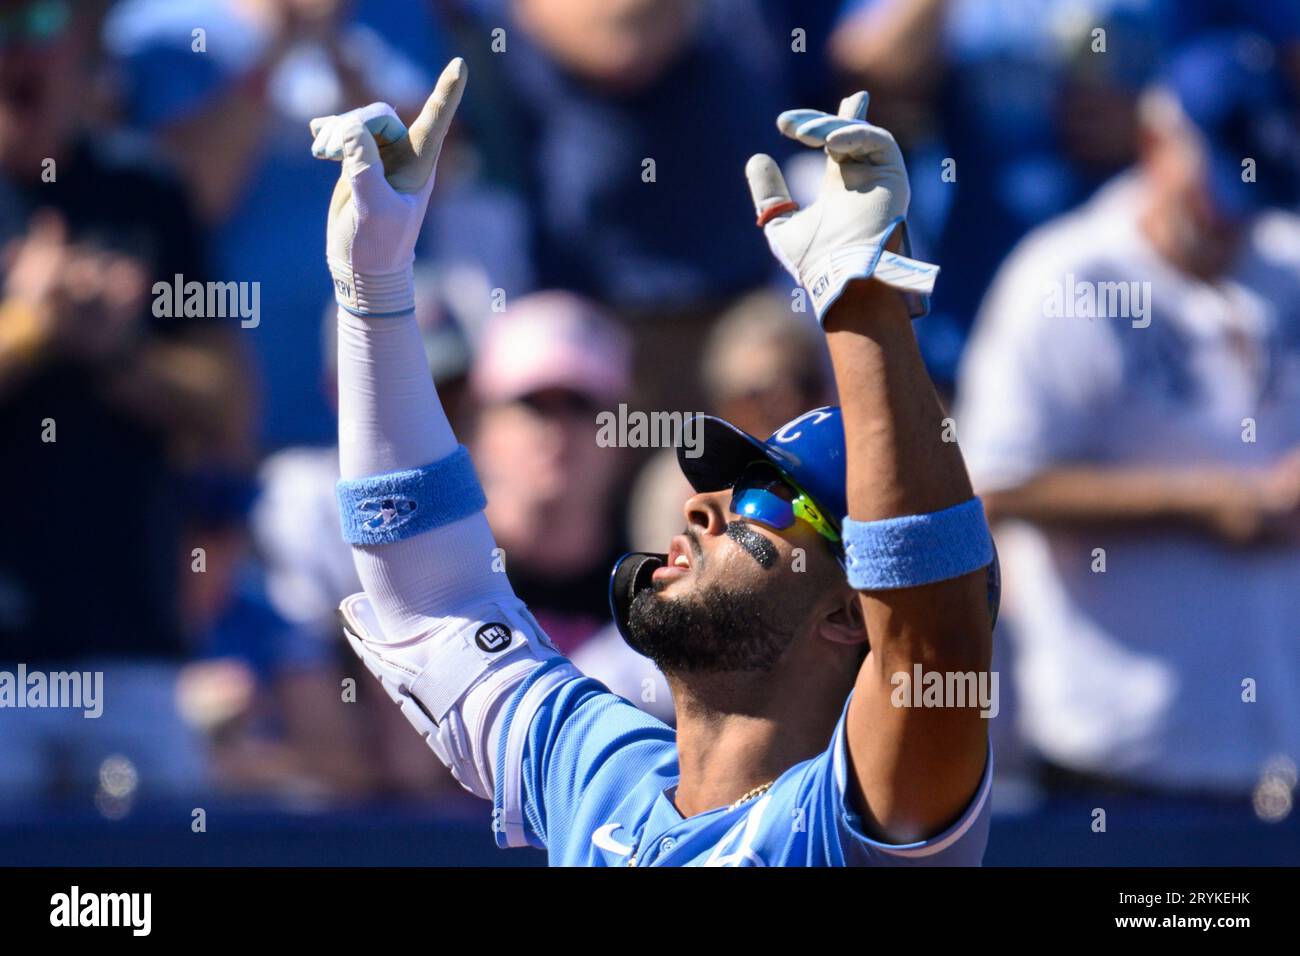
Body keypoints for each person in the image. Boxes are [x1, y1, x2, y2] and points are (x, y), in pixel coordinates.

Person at [312, 59, 996, 865]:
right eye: (723, 490)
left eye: (770, 504)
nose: (701, 508)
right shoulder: (602, 775)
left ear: (849, 611)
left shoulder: (852, 823)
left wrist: (860, 302)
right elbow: (434, 602)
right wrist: (373, 286)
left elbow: (932, 640)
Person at [956, 33, 1300, 797]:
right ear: (1153, 141)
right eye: (1212, 188)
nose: (1226, 220)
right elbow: (990, 484)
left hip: (1279, 742)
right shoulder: (1065, 277)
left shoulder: (1286, 258)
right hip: (1121, 754)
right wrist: (1203, 503)